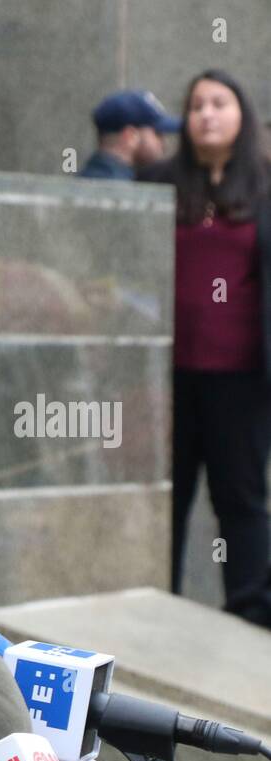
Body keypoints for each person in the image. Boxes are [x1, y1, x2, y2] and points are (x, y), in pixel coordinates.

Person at [144, 69, 271, 628]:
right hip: (165, 379)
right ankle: (151, 603)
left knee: (239, 500)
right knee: (163, 500)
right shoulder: (157, 183)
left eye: (219, 103)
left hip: (241, 379)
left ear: (242, 115)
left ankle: (250, 610)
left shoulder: (265, 187)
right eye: (196, 105)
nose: (207, 114)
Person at [81, 90, 179, 180]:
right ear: (130, 137)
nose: (164, 145)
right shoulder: (120, 190)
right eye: (158, 134)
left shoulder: (88, 178)